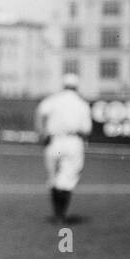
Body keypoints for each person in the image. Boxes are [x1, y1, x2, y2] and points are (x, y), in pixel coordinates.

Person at [35, 73, 92, 221]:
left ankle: (56, 213)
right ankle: (61, 214)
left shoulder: (54, 100)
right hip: (73, 141)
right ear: (77, 86)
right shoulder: (82, 104)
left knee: (53, 178)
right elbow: (86, 130)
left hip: (54, 141)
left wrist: (41, 132)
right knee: (66, 181)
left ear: (63, 85)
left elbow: (40, 112)